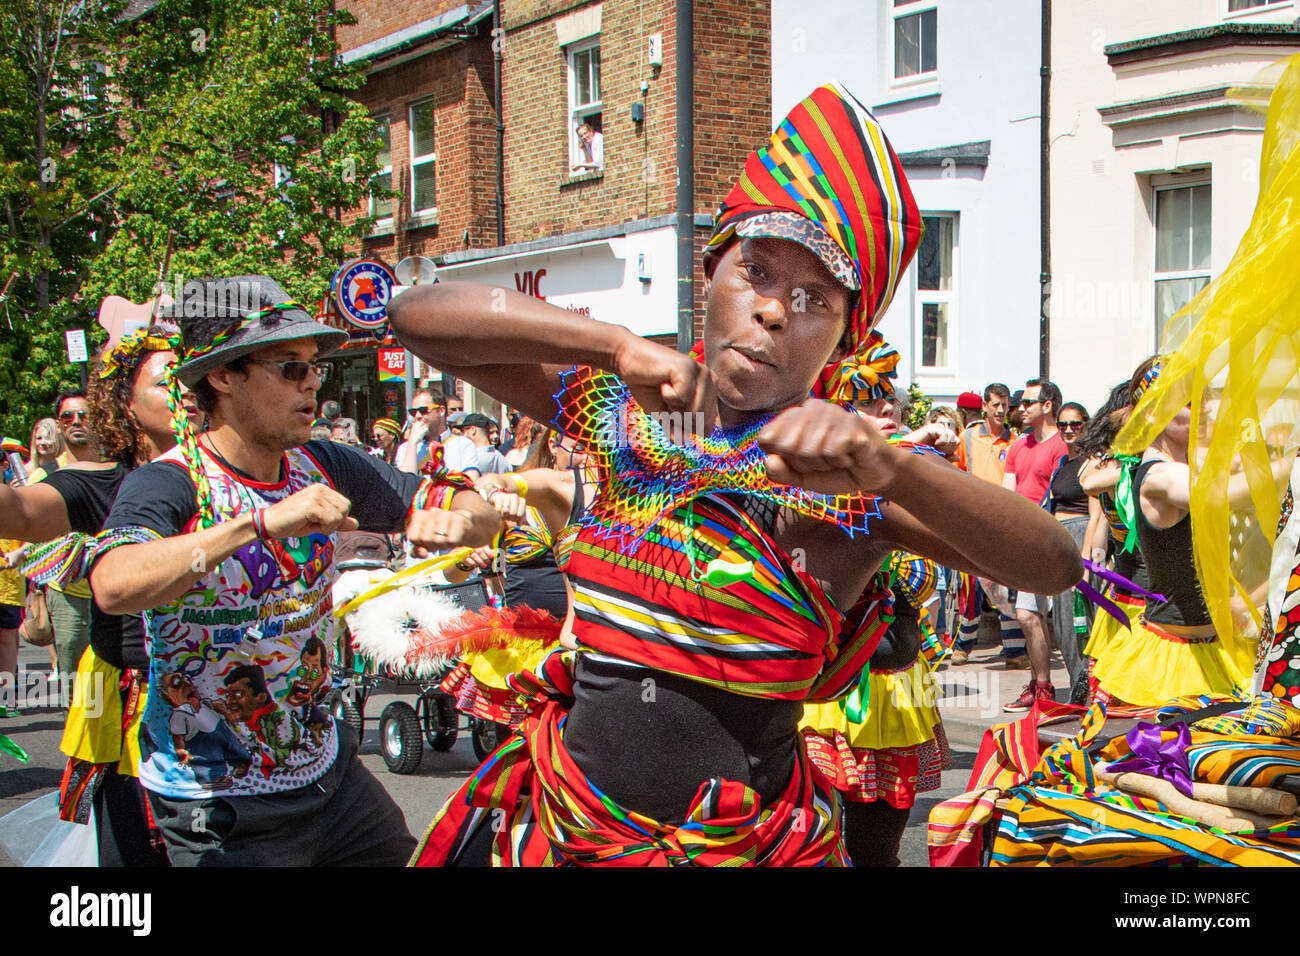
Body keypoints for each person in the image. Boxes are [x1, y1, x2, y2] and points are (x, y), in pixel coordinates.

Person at [390, 82, 1080, 866]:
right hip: (569, 828)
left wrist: (892, 469)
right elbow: (417, 316)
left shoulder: (842, 477)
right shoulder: (626, 416)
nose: (775, 311)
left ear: (847, 343)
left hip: (742, 849)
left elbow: (1053, 564)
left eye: (813, 297)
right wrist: (612, 344)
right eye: (754, 271)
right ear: (709, 272)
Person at [87, 276, 499, 866]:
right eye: (288, 367)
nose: (311, 384)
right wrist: (259, 524)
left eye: (314, 368)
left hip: (328, 778)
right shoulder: (170, 482)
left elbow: (461, 508)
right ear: (222, 376)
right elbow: (114, 583)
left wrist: (461, 518)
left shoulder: (322, 461)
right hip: (220, 802)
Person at [0, 325, 199, 864]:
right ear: (126, 405)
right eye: (166, 382)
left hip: (232, 693)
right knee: (135, 849)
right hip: (130, 694)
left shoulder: (236, 474)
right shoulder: (98, 484)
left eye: (192, 377)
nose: (185, 391)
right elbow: (15, 512)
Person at [1087, 360, 1255, 707]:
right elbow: (1214, 494)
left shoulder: (1188, 464)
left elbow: (1240, 462)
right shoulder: (1157, 476)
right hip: (1173, 661)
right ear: (1151, 415)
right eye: (1191, 401)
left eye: (1205, 398)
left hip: (1218, 650)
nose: (1205, 408)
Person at [1002, 377, 1069, 710]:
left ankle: (1046, 687)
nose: (1021, 408)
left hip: (1049, 539)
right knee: (1032, 615)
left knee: (1030, 614)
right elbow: (1006, 492)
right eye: (1021, 403)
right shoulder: (1018, 445)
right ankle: (1041, 685)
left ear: (1047, 405)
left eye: (1028, 402)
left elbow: (1063, 497)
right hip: (1021, 539)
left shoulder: (1061, 444)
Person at [951, 382, 1021, 667]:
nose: (1001, 411)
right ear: (984, 405)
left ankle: (1015, 651)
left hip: (1003, 522)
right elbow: (956, 473)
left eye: (1005, 405)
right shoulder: (967, 437)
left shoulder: (1014, 440)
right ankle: (963, 646)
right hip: (972, 521)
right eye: (995, 405)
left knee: (1004, 585)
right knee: (970, 586)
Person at [40, 389, 104, 691]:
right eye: (68, 416)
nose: (76, 421)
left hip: (111, 585)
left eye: (84, 415)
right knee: (75, 679)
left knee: (113, 675)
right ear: (59, 423)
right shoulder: (44, 475)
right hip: (68, 590)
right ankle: (76, 732)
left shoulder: (114, 466)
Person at [1040, 400, 1094, 704]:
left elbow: (1098, 513)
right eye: (1063, 425)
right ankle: (1077, 684)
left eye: (1076, 423)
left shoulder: (1092, 462)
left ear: (1086, 424)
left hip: (1082, 541)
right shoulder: (1063, 464)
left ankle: (1088, 690)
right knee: (1062, 623)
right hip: (1062, 544)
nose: (1069, 429)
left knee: (1082, 621)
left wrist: (1088, 558)